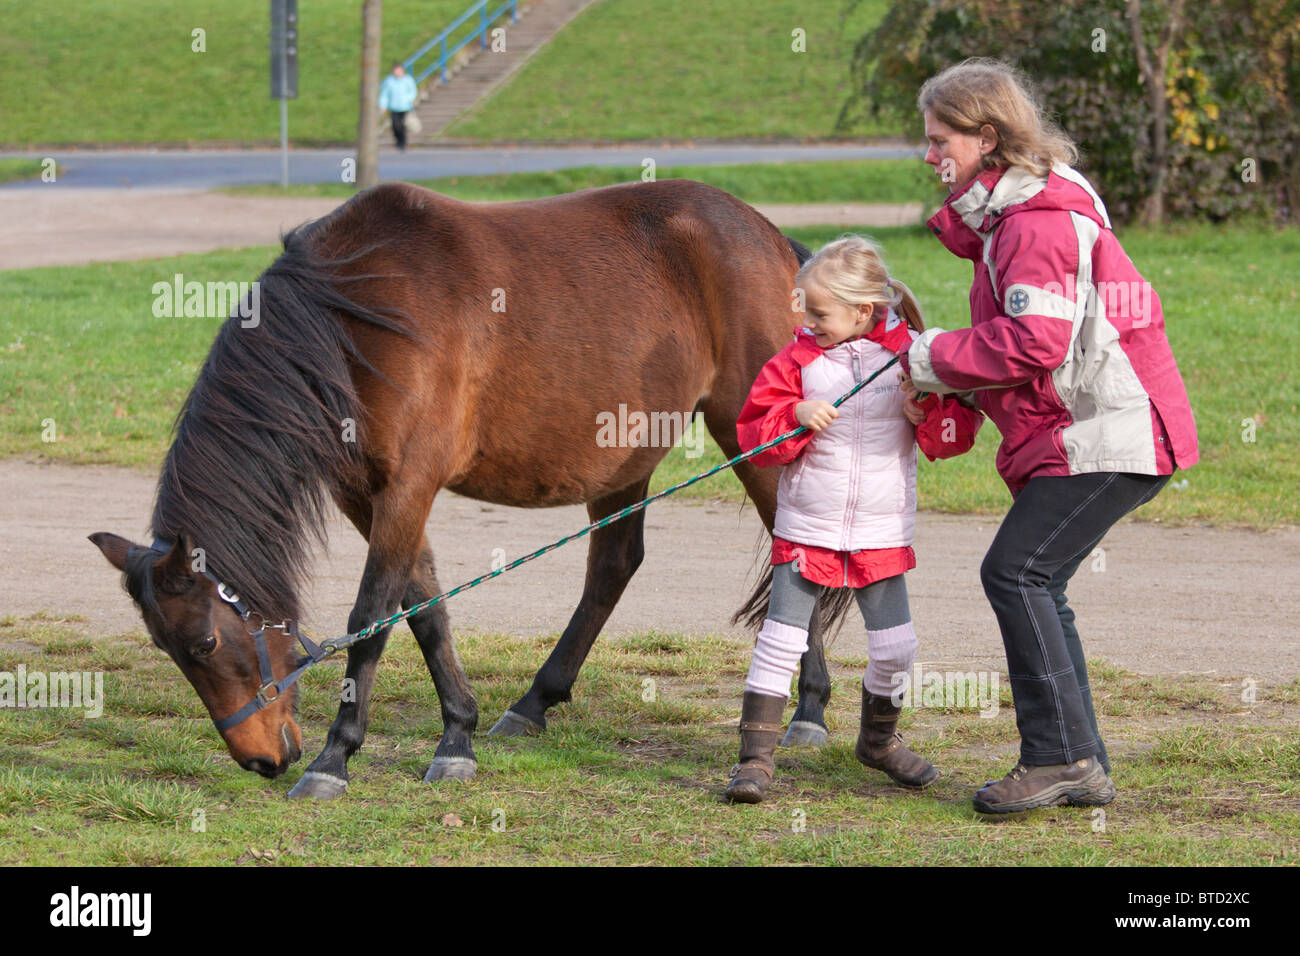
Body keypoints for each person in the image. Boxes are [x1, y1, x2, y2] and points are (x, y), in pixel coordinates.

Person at [901, 58, 1200, 814]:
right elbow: (1017, 349)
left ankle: (1059, 757)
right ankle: (1079, 760)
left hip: (1110, 433)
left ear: (988, 138)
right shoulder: (1017, 218)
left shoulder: (1033, 225)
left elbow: (1034, 341)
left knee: (1017, 574)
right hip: (1100, 429)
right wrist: (945, 389)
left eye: (941, 140)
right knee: (1037, 580)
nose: (929, 154)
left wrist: (929, 355)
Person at [724, 236, 983, 804]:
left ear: (863, 310)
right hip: (807, 528)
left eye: (819, 312)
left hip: (880, 531)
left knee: (897, 647)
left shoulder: (910, 357)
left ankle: (878, 742)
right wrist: (793, 415)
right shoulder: (794, 362)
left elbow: (951, 439)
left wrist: (926, 410)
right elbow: (754, 438)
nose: (807, 321)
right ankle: (755, 759)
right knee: (780, 640)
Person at [379, 62, 419, 151]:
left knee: (402, 125)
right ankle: (398, 140)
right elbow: (385, 95)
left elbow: (413, 92)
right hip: (394, 107)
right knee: (395, 125)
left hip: (405, 107)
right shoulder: (389, 81)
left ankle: (403, 142)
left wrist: (407, 100)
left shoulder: (408, 80)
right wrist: (383, 106)